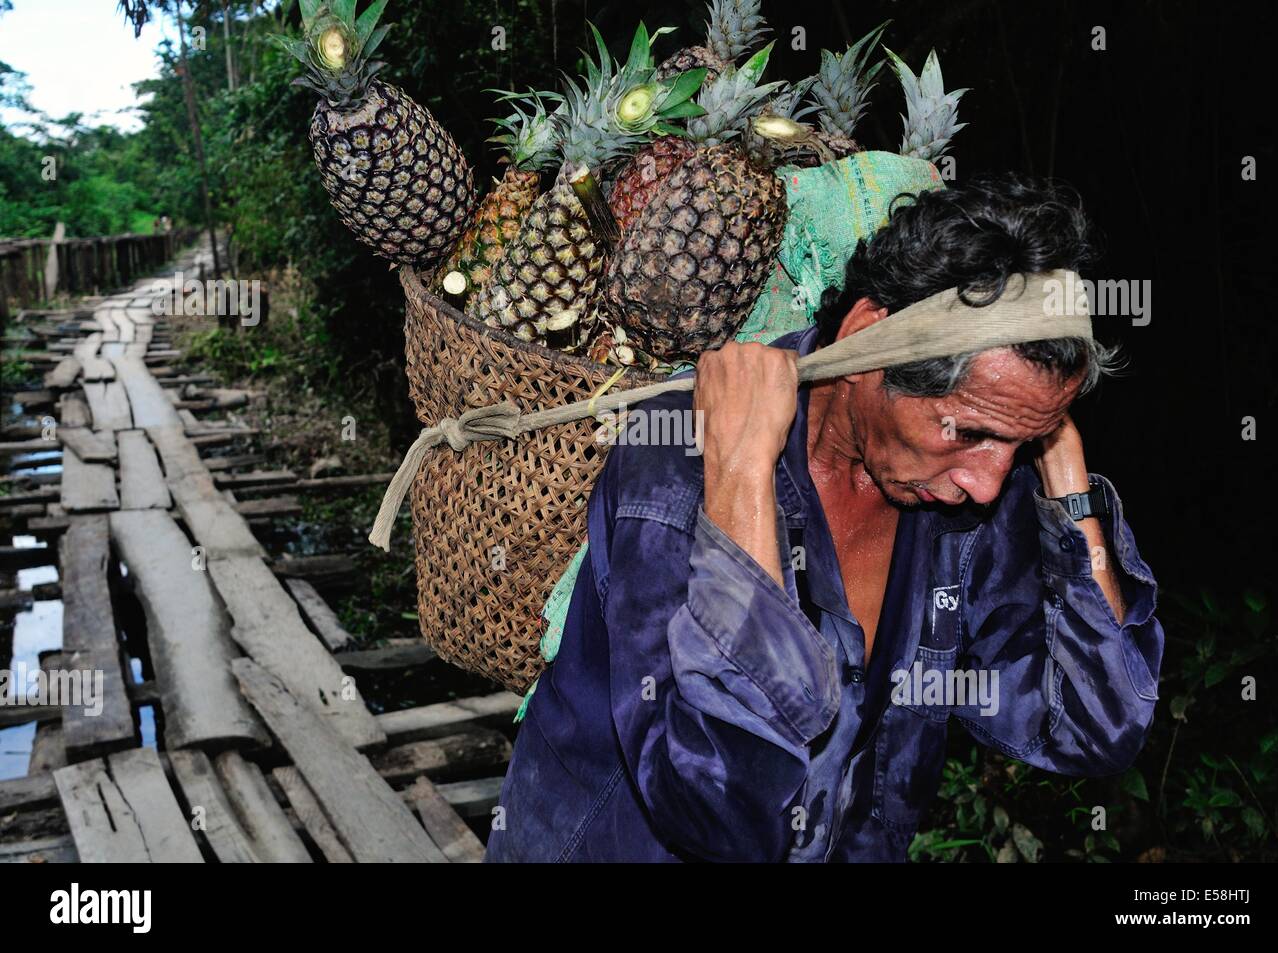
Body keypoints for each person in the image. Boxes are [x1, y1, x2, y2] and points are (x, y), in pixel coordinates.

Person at [485, 172, 1164, 862]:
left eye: (1023, 440)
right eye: (968, 430)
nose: (988, 481)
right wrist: (743, 476)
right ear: (872, 340)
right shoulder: (678, 459)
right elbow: (715, 808)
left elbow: (1092, 725)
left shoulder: (967, 497)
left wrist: (1068, 486)